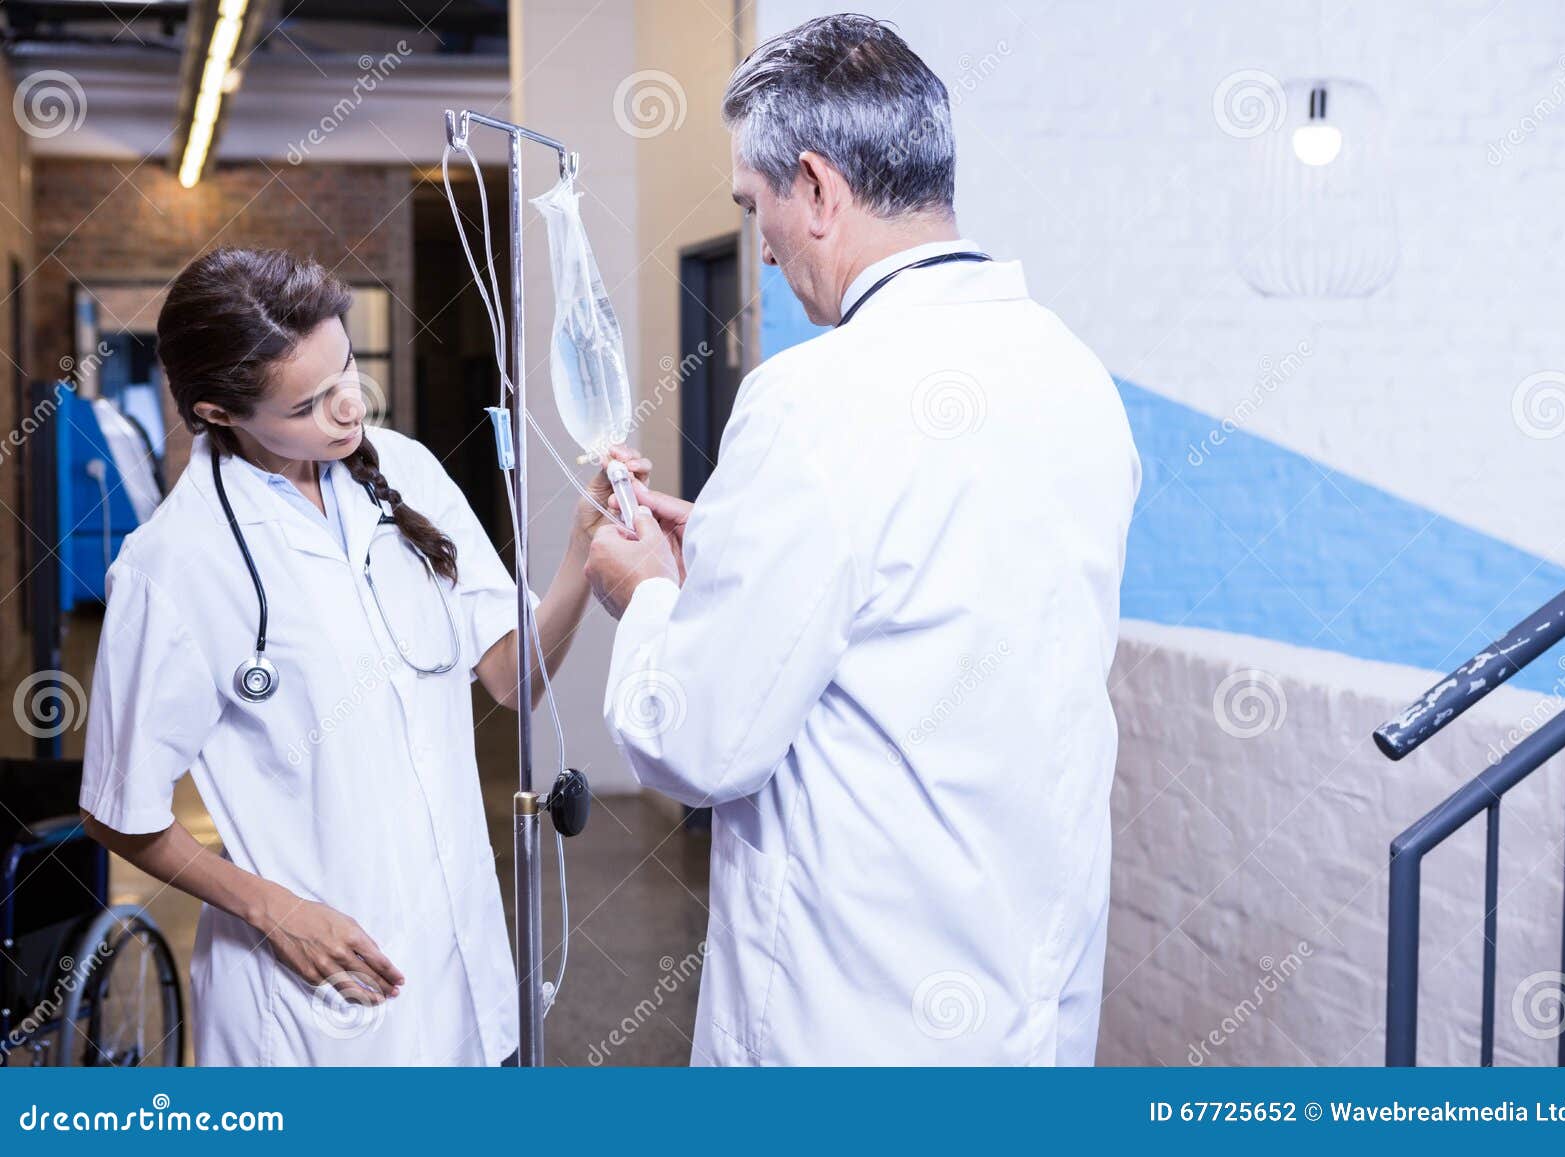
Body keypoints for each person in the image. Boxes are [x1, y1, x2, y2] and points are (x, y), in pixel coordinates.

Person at [584, 15, 1141, 1065]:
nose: (766, 242)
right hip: (1023, 984)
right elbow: (930, 585)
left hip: (854, 1007)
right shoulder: (1069, 371)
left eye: (757, 208)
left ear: (817, 187)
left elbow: (699, 742)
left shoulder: (813, 395)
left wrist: (649, 595)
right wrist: (740, 555)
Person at [78, 246, 647, 1066]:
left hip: (458, 956)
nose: (347, 409)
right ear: (218, 412)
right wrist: (274, 910)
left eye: (345, 369)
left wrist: (580, 555)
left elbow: (513, 678)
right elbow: (117, 807)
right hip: (312, 996)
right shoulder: (174, 564)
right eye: (308, 403)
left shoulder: (406, 471)